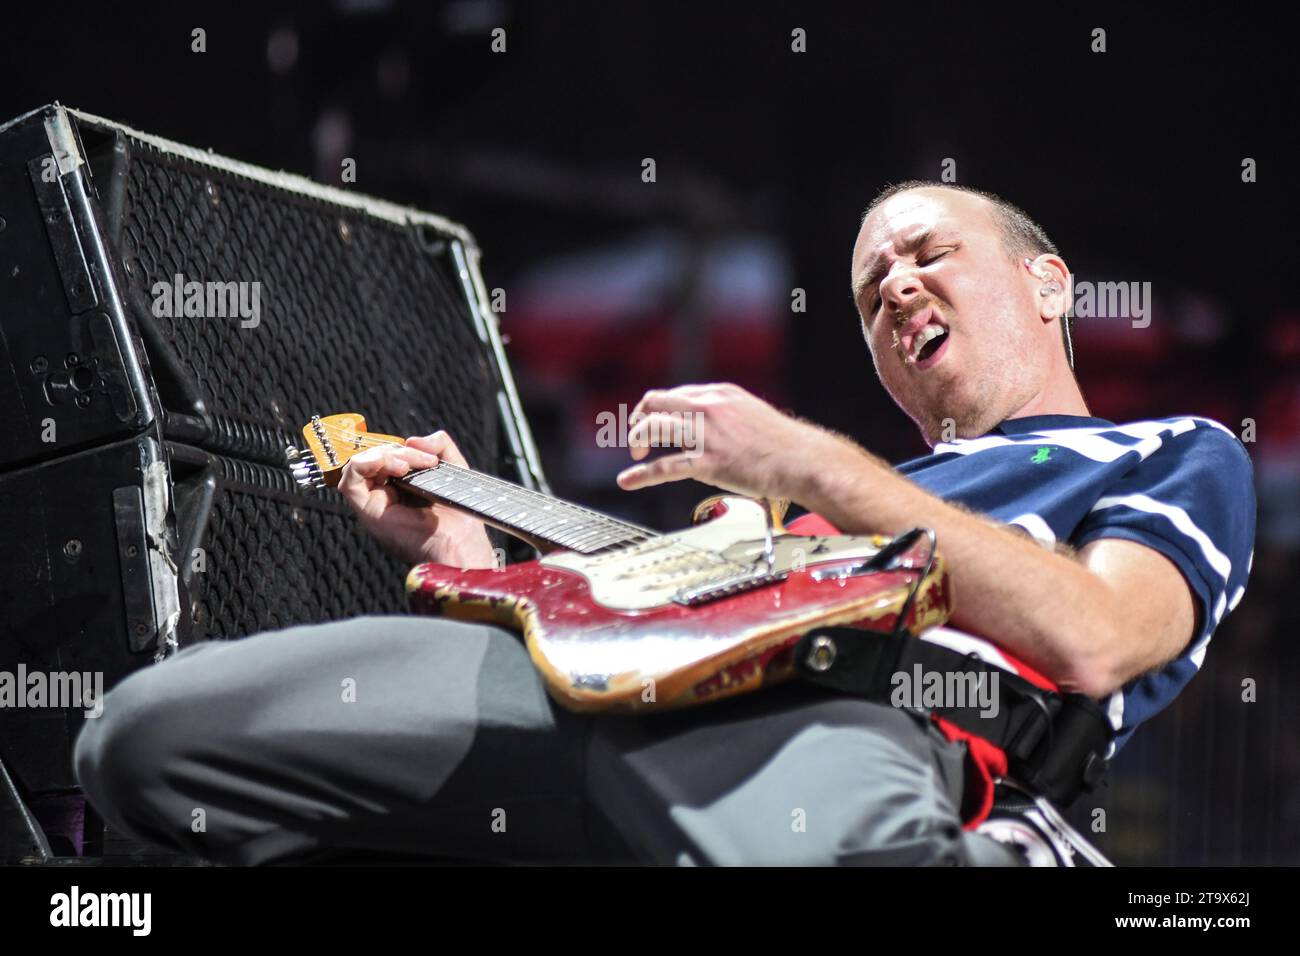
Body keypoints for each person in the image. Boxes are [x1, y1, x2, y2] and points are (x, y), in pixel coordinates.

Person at [72, 182, 1256, 866]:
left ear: (1049, 283)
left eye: (929, 252)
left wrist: (803, 459)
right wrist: (472, 559)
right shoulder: (820, 503)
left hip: (845, 710)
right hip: (611, 695)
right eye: (867, 286)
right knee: (147, 738)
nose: (894, 285)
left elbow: (1100, 635)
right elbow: (636, 599)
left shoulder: (1171, 452)